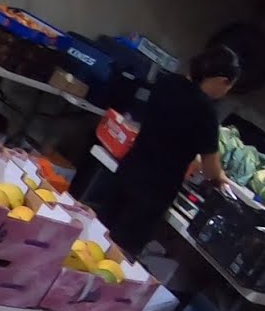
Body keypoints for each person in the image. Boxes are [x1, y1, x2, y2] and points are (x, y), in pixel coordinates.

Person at [101, 45, 241, 258]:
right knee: (117, 254)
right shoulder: (206, 112)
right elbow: (212, 170)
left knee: (98, 233)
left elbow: (169, 130)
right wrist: (222, 179)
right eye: (228, 87)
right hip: (154, 191)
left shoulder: (167, 83)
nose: (225, 92)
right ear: (222, 80)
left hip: (129, 170)